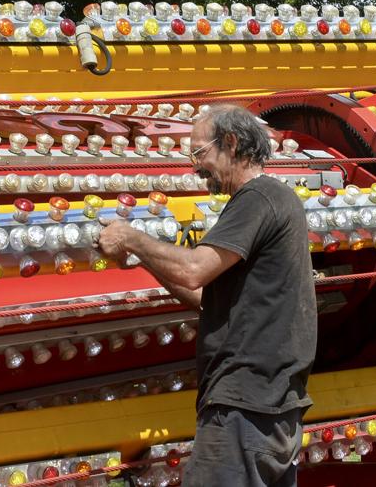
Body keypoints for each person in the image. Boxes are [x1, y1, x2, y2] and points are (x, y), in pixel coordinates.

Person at [98, 104, 317, 486]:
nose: (196, 167)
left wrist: (130, 236)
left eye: (200, 153)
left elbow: (194, 269)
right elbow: (206, 296)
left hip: (243, 405)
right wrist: (144, 257)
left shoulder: (257, 198)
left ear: (230, 143)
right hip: (272, 406)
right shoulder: (277, 199)